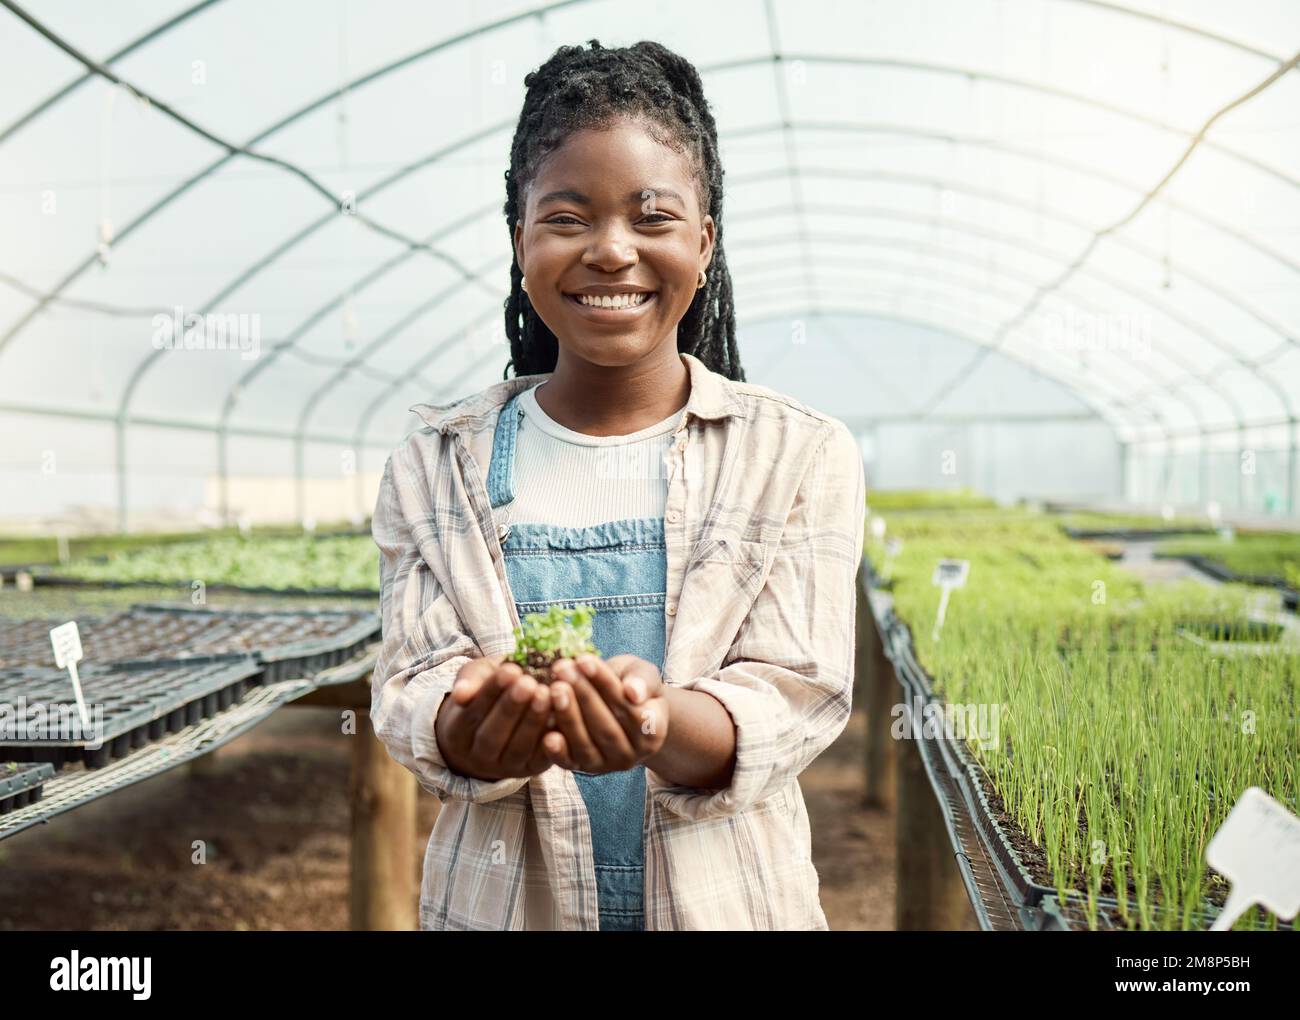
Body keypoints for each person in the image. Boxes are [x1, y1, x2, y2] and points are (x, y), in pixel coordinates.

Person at [370, 38, 866, 930]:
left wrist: (661, 724)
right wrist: (475, 724)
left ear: (703, 242)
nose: (610, 251)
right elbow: (412, 681)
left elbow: (797, 693)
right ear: (520, 238)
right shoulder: (436, 463)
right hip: (503, 903)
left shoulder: (797, 455)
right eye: (566, 218)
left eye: (652, 218)